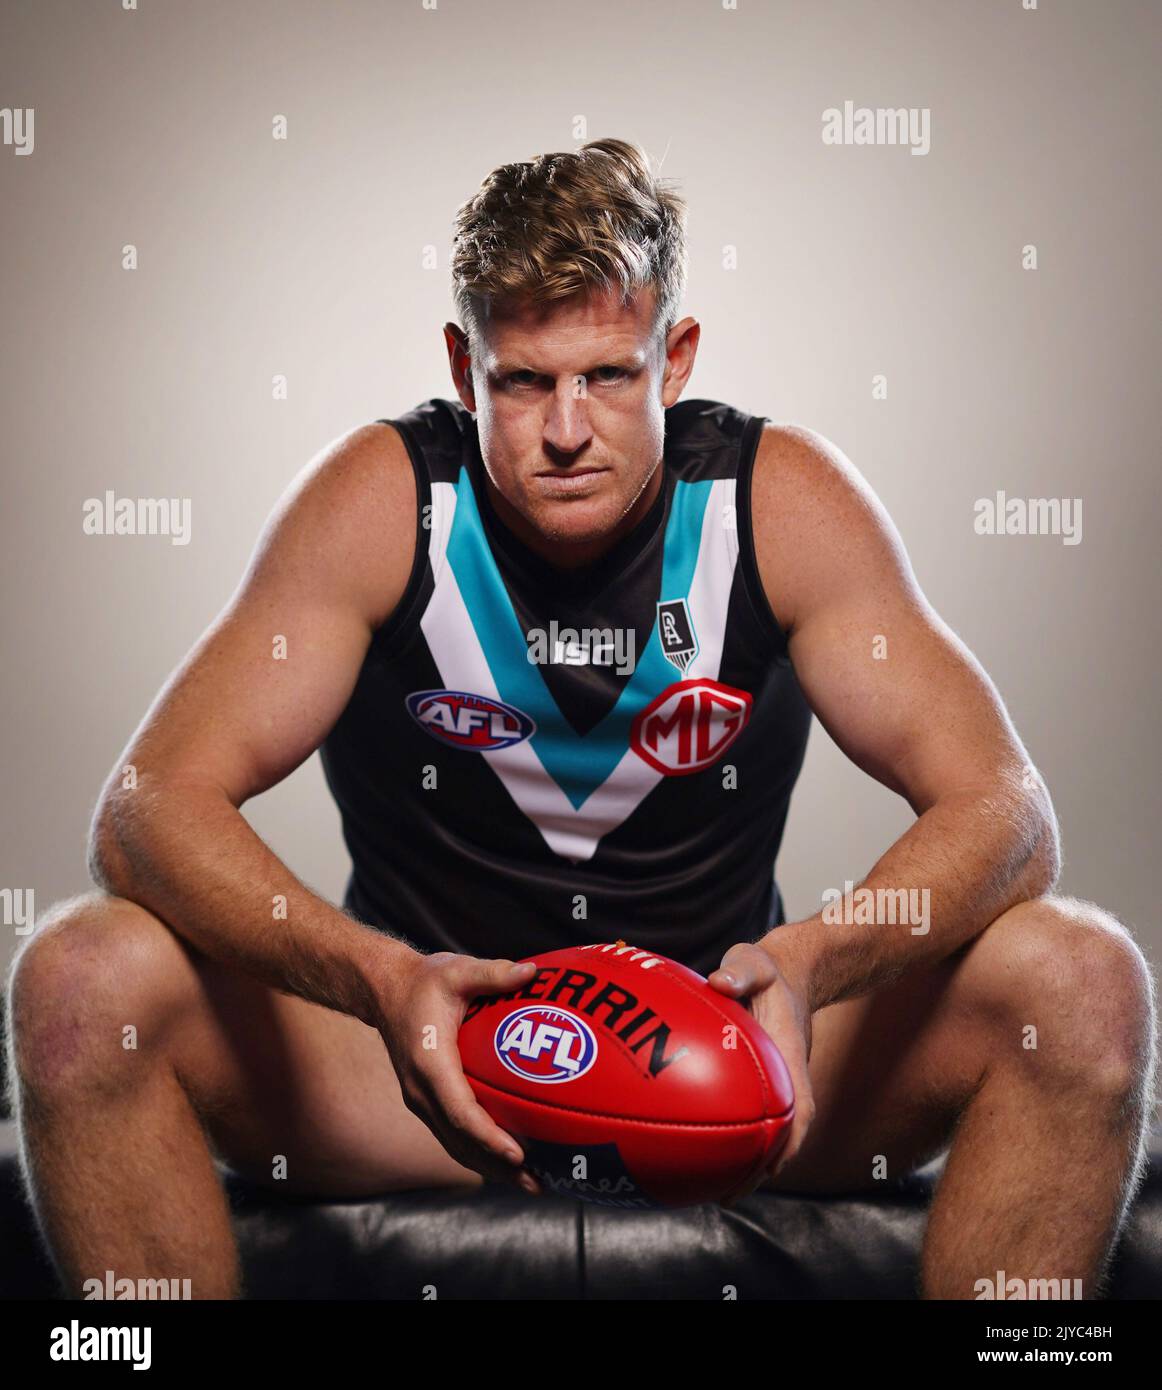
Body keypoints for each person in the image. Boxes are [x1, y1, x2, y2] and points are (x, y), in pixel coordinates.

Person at [5, 139, 1154, 1299]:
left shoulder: (778, 502)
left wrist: (811, 961)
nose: (565, 429)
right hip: (422, 1073)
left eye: (607, 374)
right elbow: (146, 812)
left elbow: (1006, 809)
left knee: (1081, 978)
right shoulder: (381, 501)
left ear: (676, 357)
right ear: (463, 367)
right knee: (77, 978)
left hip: (730, 1076)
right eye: (522, 380)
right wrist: (379, 978)